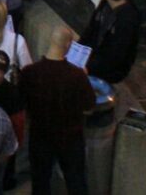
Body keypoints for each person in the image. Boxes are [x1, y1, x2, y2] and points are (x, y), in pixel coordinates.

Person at [21, 26, 95, 195]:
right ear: (68, 45)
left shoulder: (30, 73)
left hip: (40, 136)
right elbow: (89, 106)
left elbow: (23, 103)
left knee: (40, 182)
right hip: (70, 138)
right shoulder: (77, 75)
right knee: (76, 182)